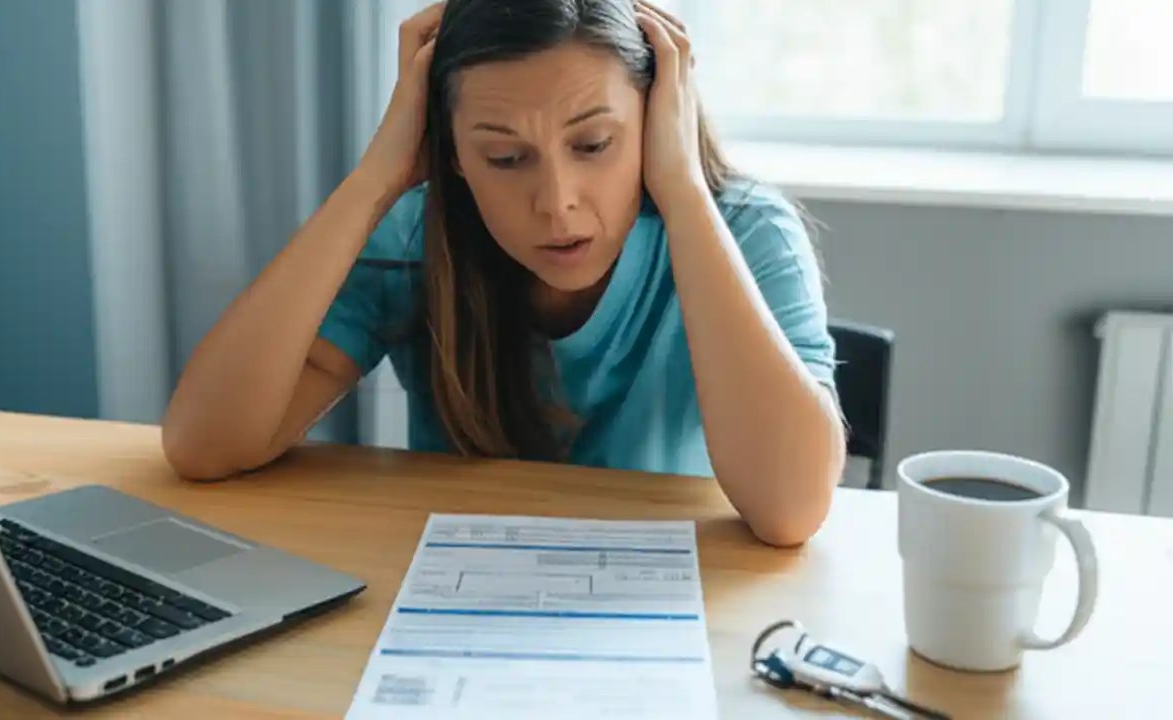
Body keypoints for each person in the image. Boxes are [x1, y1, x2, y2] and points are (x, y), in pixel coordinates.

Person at [162, 0, 846, 546]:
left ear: (656, 117)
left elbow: (790, 511)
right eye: (504, 158)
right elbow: (205, 445)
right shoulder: (415, 233)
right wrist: (377, 178)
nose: (557, 203)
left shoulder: (748, 232)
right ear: (452, 153)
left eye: (595, 144)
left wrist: (683, 187)